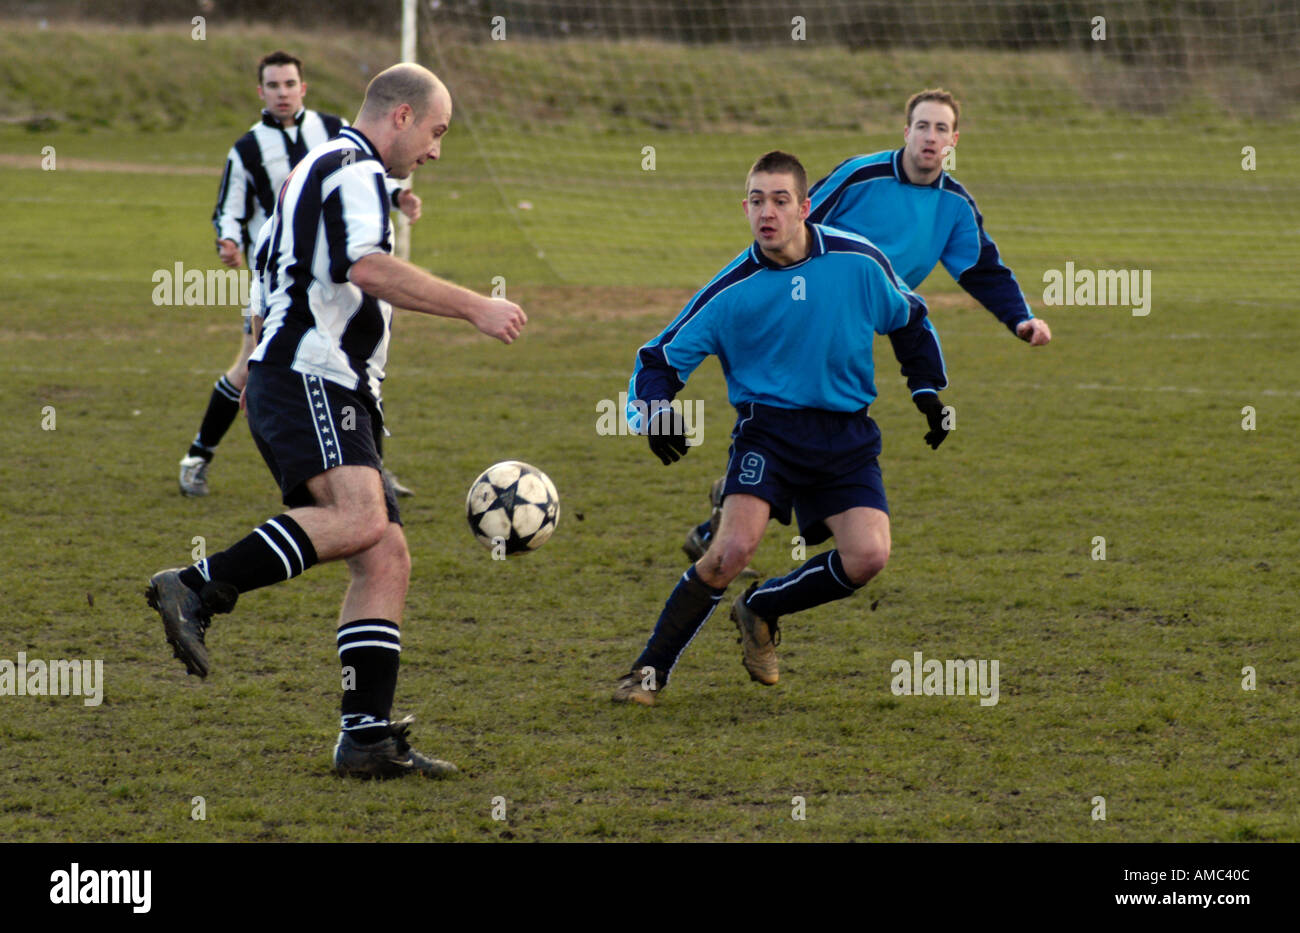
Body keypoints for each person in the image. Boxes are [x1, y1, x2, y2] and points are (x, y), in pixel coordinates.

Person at [147, 63, 527, 778]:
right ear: (403, 116)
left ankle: (366, 739)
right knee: (360, 520)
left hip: (312, 380)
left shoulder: (317, 166)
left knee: (383, 553)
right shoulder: (352, 168)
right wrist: (476, 305)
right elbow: (368, 268)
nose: (437, 151)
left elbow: (275, 270)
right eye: (437, 132)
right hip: (312, 378)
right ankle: (196, 585)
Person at [612, 150, 947, 705]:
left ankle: (762, 607)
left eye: (780, 200)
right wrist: (651, 412)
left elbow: (909, 320)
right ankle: (647, 674)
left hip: (845, 436)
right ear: (745, 208)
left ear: (805, 208)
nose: (767, 212)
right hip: (768, 435)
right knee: (729, 553)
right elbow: (657, 361)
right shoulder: (731, 290)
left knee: (868, 557)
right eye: (757, 201)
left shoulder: (859, 262)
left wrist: (926, 390)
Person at [680, 89, 1049, 562]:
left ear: (954, 140)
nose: (929, 138)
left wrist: (1020, 318)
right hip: (808, 308)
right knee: (787, 415)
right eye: (921, 126)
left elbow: (981, 269)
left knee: (823, 425)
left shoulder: (955, 206)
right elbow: (796, 218)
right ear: (906, 132)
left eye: (940, 129)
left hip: (872, 317)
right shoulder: (860, 176)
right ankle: (729, 518)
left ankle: (729, 507)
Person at [180, 49, 422, 498]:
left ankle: (370, 475)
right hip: (281, 287)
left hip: (333, 281)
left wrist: (396, 195)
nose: (283, 93)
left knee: (355, 367)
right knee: (248, 371)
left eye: (290, 84)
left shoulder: (331, 131)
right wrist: (228, 240)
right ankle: (198, 456)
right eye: (273, 85)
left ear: (303, 88)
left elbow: (361, 182)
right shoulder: (247, 149)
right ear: (261, 92)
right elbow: (229, 209)